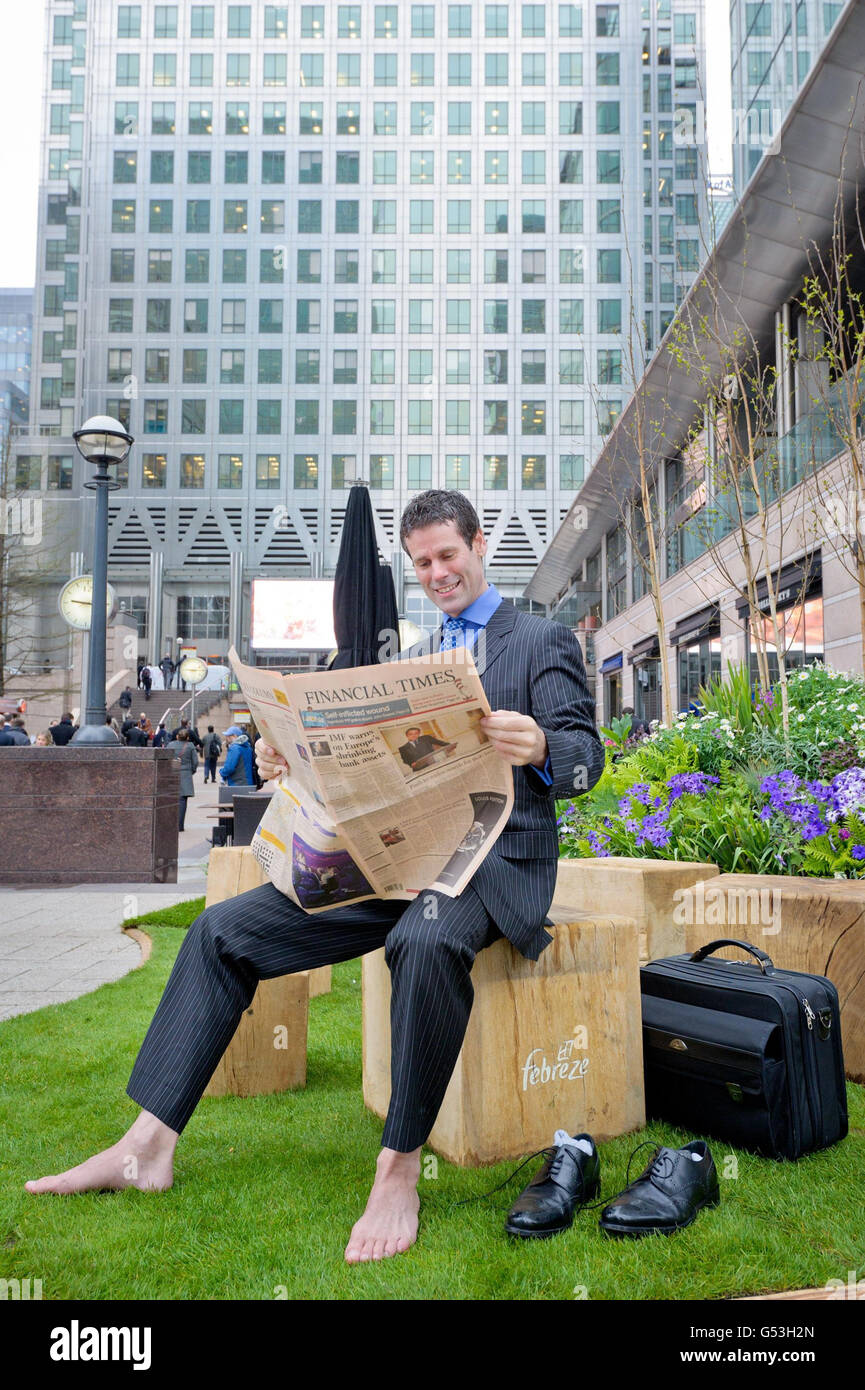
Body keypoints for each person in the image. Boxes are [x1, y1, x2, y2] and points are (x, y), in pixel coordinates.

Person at [24, 490, 603, 1268]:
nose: (435, 573)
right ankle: (145, 1147)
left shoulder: (539, 639)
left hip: (491, 868)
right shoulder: (405, 656)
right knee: (219, 931)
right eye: (421, 562)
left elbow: (585, 758)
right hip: (392, 864)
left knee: (424, 942)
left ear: (478, 545)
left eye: (447, 556)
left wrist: (539, 745)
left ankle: (397, 1169)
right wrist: (286, 760)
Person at [166, 727, 199, 831]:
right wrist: (191, 771)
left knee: (172, 799)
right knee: (182, 800)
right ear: (188, 737)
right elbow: (195, 761)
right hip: (185, 774)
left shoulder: (170, 745)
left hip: (173, 772)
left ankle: (171, 823)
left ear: (177, 736)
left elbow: (166, 758)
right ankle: (180, 825)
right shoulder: (190, 746)